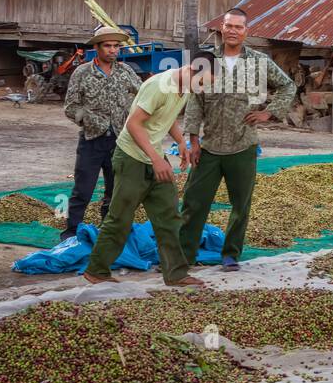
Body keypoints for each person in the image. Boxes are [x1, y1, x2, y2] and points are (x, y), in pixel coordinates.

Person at [82, 52, 218, 287]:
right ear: (191, 70)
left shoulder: (186, 88)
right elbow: (133, 124)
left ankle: (176, 274)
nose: (203, 90)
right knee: (120, 218)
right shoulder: (159, 86)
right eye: (203, 83)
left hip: (153, 156)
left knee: (170, 217)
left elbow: (168, 117)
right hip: (132, 158)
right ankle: (97, 270)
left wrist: (180, 143)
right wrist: (157, 159)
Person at [179, 8, 296, 270]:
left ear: (246, 31)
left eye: (238, 27)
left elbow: (288, 85)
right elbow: (195, 101)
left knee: (240, 205)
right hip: (208, 147)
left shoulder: (259, 62)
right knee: (193, 203)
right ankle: (184, 254)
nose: (232, 31)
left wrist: (269, 113)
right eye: (229, 26)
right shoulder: (206, 61)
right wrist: (194, 141)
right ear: (222, 28)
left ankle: (230, 254)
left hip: (243, 145)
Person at [60, 25, 142, 240]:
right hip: (92, 140)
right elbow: (70, 106)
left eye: (116, 46)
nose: (113, 50)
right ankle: (70, 233)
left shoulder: (126, 72)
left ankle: (109, 231)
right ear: (97, 48)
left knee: (115, 190)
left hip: (121, 141)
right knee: (82, 190)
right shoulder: (82, 72)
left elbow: (143, 96)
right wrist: (87, 120)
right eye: (107, 46)